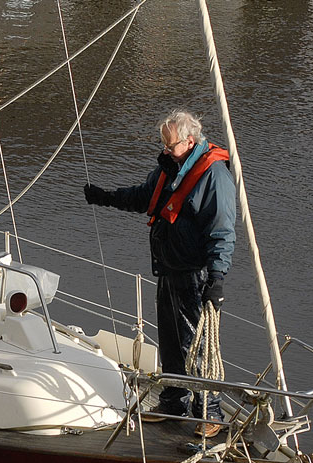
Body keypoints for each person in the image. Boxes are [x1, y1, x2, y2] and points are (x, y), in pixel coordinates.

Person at [83, 110, 236, 438]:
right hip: (169, 270)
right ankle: (174, 401)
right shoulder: (170, 170)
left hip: (195, 275)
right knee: (169, 340)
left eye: (170, 145)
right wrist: (105, 198)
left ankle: (209, 411)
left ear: (190, 141)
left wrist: (217, 278)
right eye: (163, 144)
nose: (165, 150)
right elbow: (143, 197)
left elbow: (222, 231)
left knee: (195, 343)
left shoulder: (213, 177)